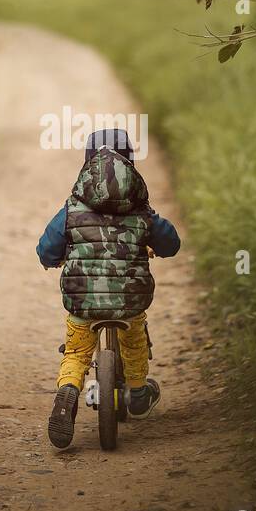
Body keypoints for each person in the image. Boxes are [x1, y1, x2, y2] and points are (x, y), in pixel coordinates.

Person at [35, 128, 180, 448]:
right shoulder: (141, 209)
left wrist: (53, 259)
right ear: (131, 164)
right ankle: (139, 392)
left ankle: (68, 391)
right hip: (129, 300)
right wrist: (154, 244)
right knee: (133, 339)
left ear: (88, 164)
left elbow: (47, 247)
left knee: (75, 352)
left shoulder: (73, 207)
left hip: (83, 302)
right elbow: (170, 243)